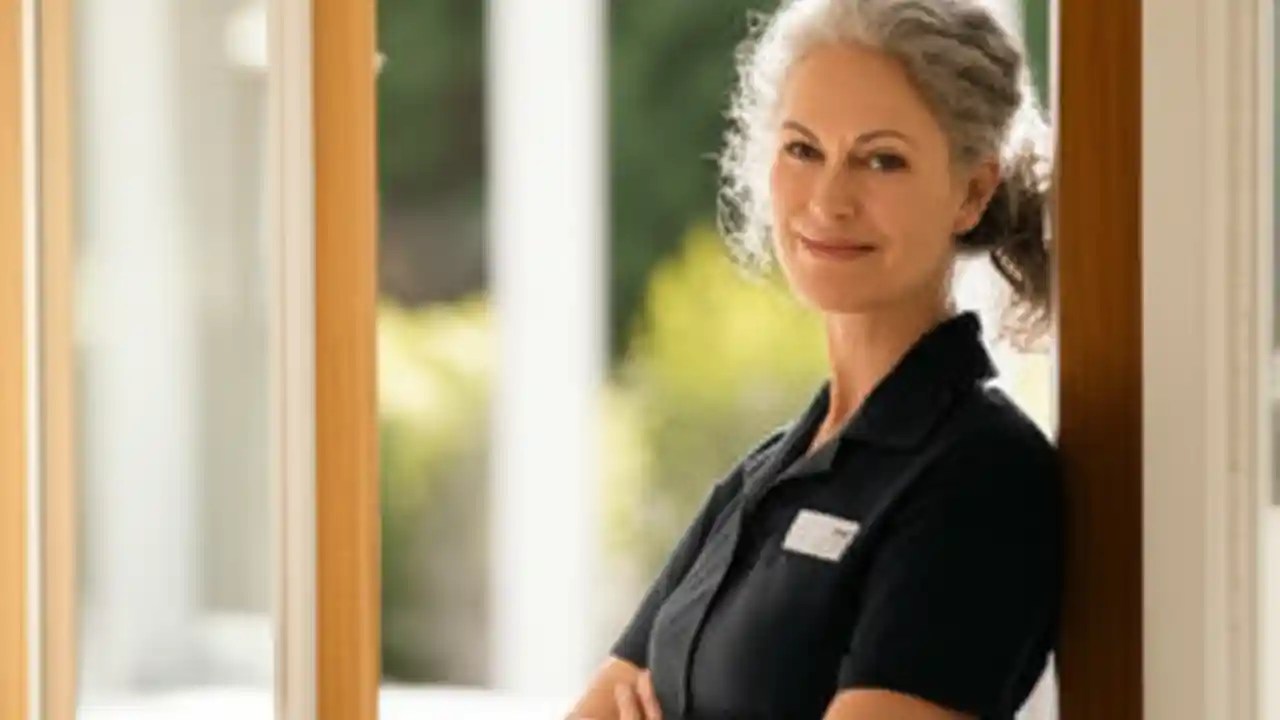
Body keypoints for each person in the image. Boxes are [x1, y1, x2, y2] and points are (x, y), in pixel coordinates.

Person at [568, 0, 1060, 717]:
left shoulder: (979, 478)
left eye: (882, 160)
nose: (830, 200)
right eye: (803, 149)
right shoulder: (769, 471)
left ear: (972, 191)